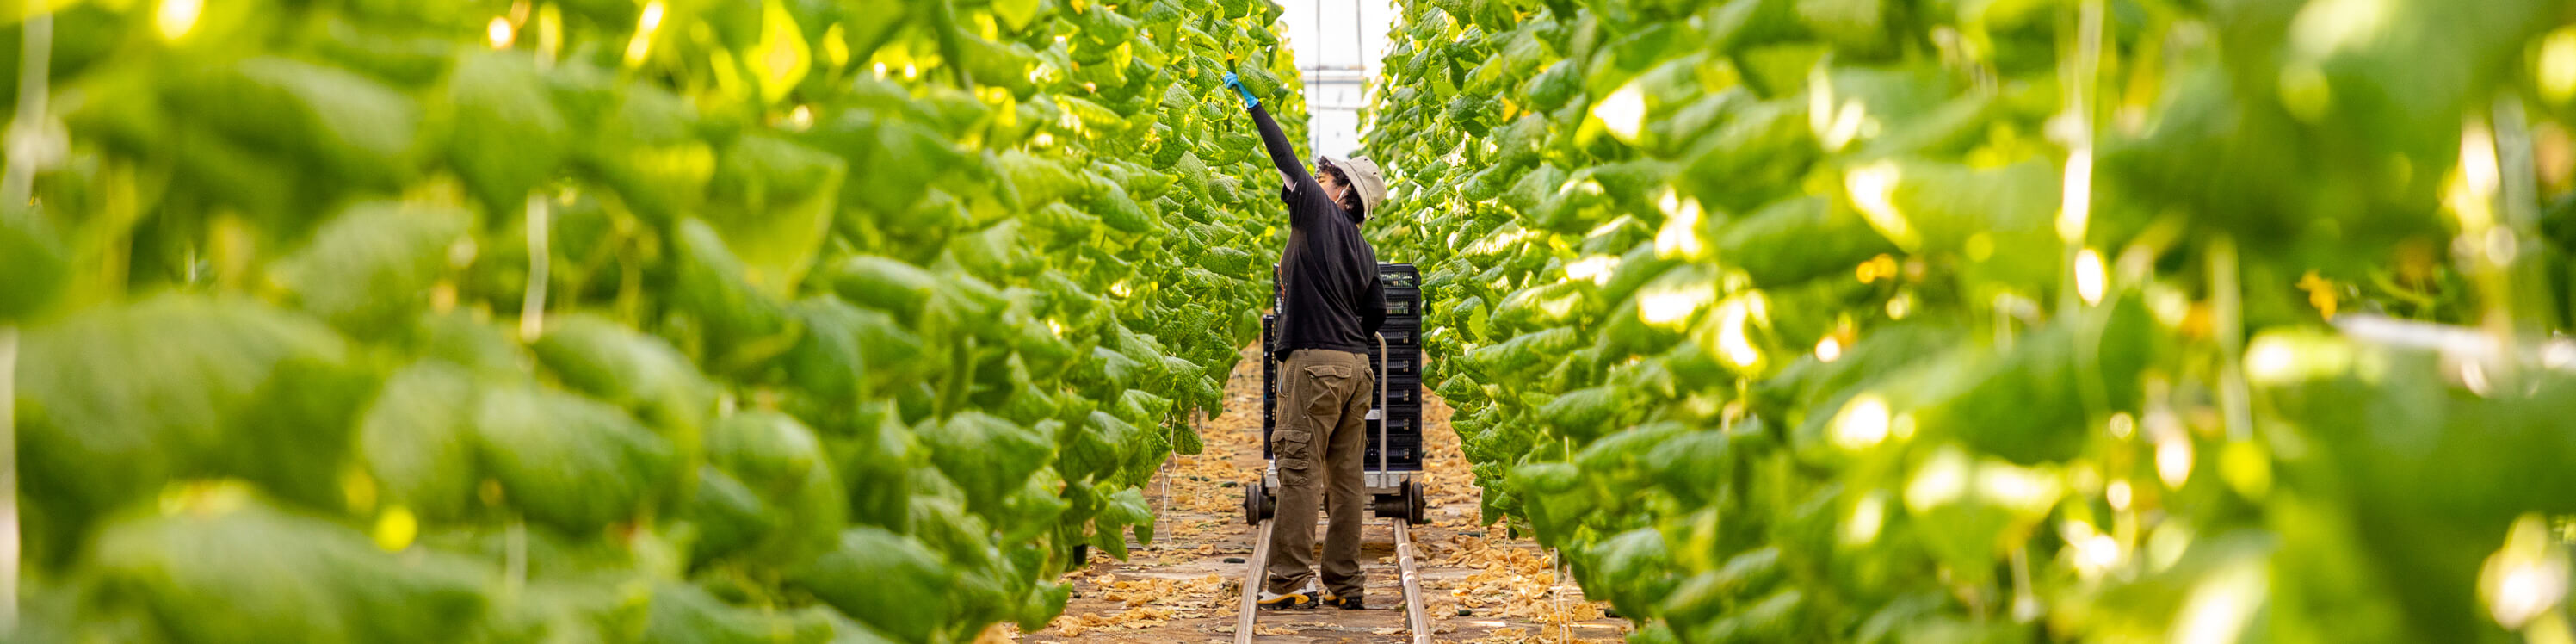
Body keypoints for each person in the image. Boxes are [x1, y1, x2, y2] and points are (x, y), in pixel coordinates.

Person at [1220, 71, 1390, 611]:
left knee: (1297, 470)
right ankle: (1345, 582)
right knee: (1346, 480)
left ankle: (1290, 579)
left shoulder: (1320, 215)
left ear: (1343, 195)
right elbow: (1378, 313)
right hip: (1357, 370)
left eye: (1326, 177)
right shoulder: (1363, 248)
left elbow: (1283, 157)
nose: (1315, 180)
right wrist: (1344, 335)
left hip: (1315, 367)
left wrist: (1254, 106)